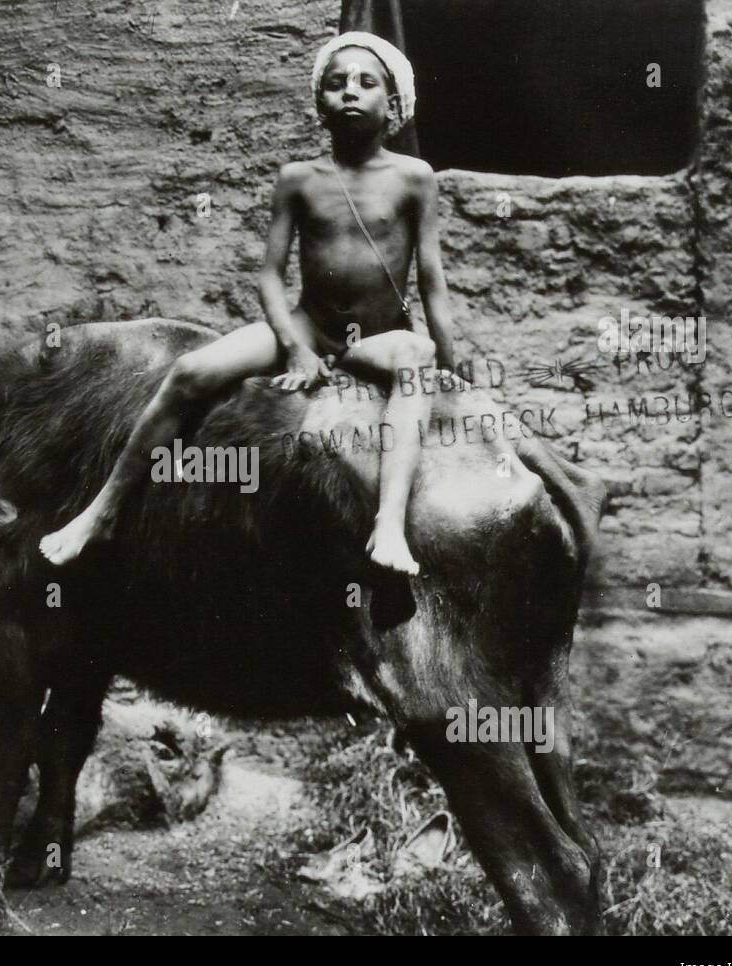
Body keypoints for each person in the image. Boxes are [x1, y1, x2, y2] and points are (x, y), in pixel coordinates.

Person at [40, 31, 459, 576]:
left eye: (365, 82)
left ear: (393, 104)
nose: (350, 93)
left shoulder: (413, 178)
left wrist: (450, 366)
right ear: (319, 105)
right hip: (309, 327)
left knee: (415, 359)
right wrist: (294, 346)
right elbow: (268, 277)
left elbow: (432, 280)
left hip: (378, 335)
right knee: (191, 369)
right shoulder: (298, 179)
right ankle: (102, 510)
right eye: (335, 85)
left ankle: (389, 526)